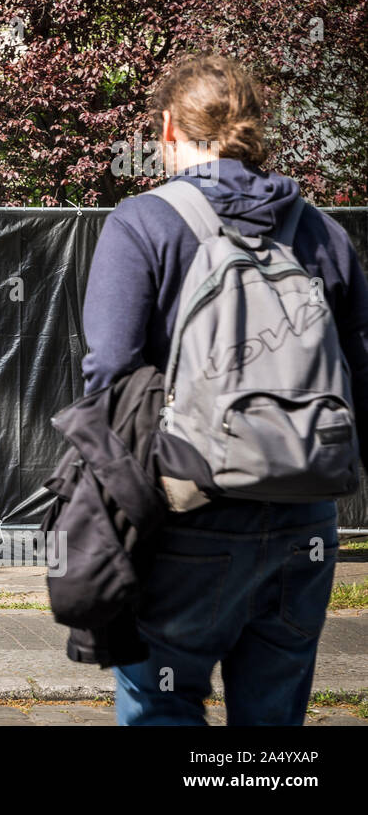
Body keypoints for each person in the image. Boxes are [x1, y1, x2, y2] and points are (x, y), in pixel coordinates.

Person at [81, 54, 368, 725]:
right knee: (272, 720)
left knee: (161, 702)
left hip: (189, 514)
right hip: (306, 518)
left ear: (166, 130)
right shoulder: (321, 231)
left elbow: (109, 376)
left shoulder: (143, 224)